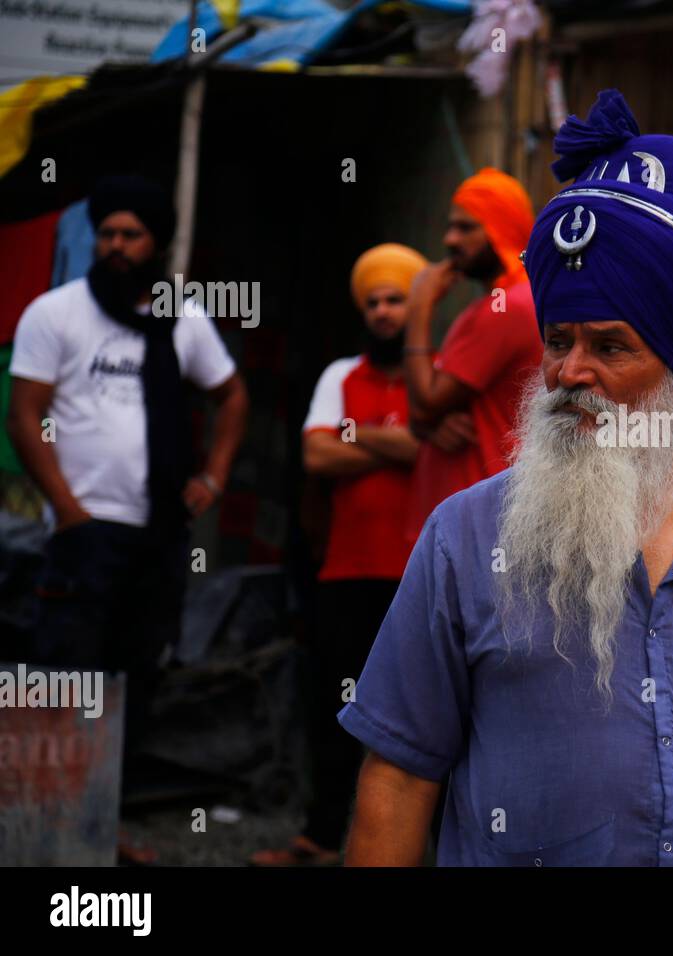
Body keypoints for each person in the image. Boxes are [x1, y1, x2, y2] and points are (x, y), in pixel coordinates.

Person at [339, 90, 673, 866]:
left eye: (610, 347)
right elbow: (400, 778)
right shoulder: (463, 540)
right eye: (558, 340)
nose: (569, 373)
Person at [7, 173, 249, 864]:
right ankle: (44, 830)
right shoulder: (56, 313)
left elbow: (231, 395)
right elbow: (24, 416)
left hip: (159, 533)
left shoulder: (183, 318)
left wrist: (214, 476)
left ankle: (98, 828)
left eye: (130, 235)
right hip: (85, 533)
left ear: (156, 242)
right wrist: (70, 510)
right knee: (67, 677)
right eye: (107, 233)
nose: (116, 245)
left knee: (136, 678)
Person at [251, 243, 427, 866]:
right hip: (345, 572)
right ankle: (323, 837)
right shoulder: (338, 377)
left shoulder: (437, 375)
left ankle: (426, 848)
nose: (383, 311)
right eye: (373, 302)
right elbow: (317, 456)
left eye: (395, 300)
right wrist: (401, 443)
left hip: (420, 577)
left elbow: (430, 455)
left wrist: (369, 441)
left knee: (428, 714)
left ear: (416, 307)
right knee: (337, 708)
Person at [401, 167, 542, 539]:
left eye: (466, 228)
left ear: (500, 230)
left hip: (480, 519)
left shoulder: (507, 306)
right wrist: (427, 424)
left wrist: (419, 306)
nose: (450, 239)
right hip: (475, 512)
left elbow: (426, 401)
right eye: (450, 227)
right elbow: (425, 413)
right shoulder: (505, 302)